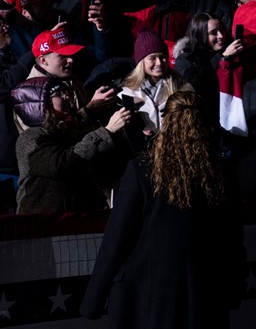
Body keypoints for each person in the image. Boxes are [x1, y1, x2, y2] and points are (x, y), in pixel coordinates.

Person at [80, 91, 245, 328]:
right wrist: (233, 293)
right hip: (204, 294)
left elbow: (117, 238)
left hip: (147, 296)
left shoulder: (143, 170)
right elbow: (232, 240)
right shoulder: (221, 172)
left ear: (166, 121)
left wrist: (93, 301)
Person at [13, 77, 132, 214]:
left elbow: (76, 125)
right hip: (43, 226)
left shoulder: (66, 129)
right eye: (58, 94)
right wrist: (107, 131)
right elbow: (63, 163)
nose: (66, 97)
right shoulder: (29, 138)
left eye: (65, 92)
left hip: (79, 219)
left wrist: (92, 110)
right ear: (40, 102)